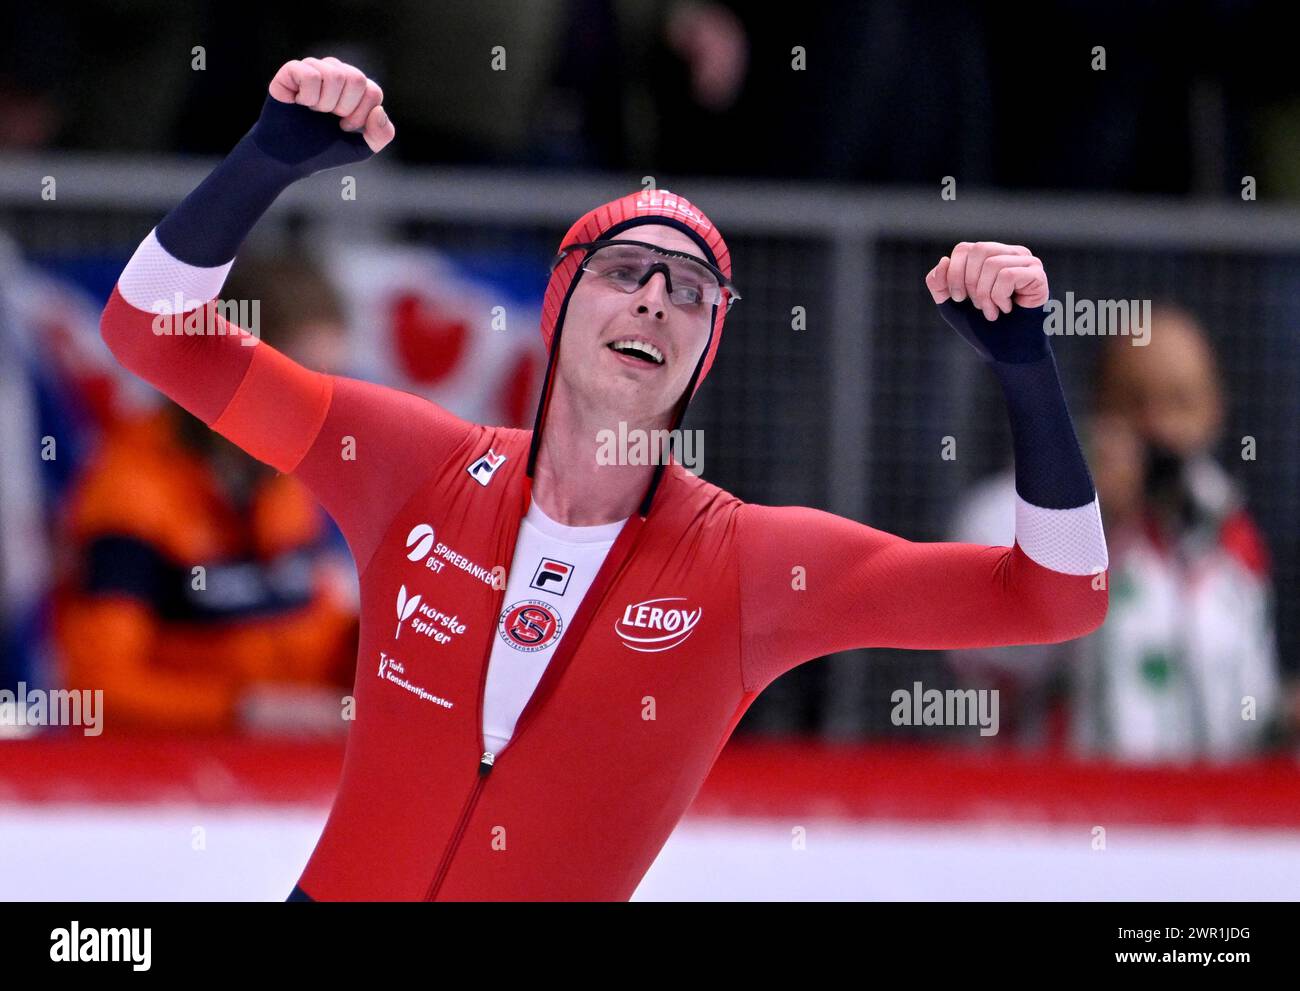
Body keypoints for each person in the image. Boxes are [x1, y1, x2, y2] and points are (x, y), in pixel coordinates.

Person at [97, 56, 1107, 900]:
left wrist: (1026, 370)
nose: (657, 300)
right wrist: (264, 162)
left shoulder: (752, 564)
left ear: (707, 349)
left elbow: (1056, 596)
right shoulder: (410, 467)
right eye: (626, 271)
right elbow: (147, 330)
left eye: (692, 291)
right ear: (557, 302)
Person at [947, 305, 1284, 761]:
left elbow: (1248, 707)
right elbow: (987, 650)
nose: (1157, 424)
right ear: (1098, 405)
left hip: (1202, 822)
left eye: (1180, 402)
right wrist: (1085, 512)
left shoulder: (1233, 537)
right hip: (1062, 813)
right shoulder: (1027, 508)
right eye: (1135, 401)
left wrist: (1282, 718)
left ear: (1214, 412)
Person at [53, 256, 359, 734]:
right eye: (299, 385)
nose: (320, 412)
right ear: (229, 371)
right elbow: (94, 689)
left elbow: (309, 627)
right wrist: (243, 711)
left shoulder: (284, 478)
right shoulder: (131, 494)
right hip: (164, 786)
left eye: (331, 386)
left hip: (287, 773)